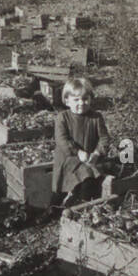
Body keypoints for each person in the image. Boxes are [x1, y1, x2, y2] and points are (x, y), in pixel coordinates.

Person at [52, 77, 112, 205]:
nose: (81, 103)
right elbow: (62, 139)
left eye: (85, 99)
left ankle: (82, 205)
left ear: (90, 99)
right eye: (76, 99)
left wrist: (97, 152)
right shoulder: (63, 117)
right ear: (67, 101)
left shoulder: (95, 117)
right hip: (68, 159)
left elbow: (104, 138)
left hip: (89, 159)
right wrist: (78, 152)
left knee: (88, 181)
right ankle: (54, 207)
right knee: (60, 191)